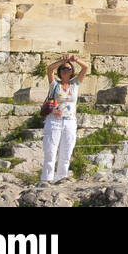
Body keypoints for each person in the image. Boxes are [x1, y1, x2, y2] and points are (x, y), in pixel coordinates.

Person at [41, 54, 88, 184]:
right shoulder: (54, 84)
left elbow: (86, 68)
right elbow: (49, 69)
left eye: (68, 69)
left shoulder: (75, 84)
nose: (65, 71)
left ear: (72, 71)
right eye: (63, 69)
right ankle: (47, 178)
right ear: (60, 71)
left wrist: (76, 60)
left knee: (66, 151)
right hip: (54, 121)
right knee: (50, 150)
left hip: (70, 121)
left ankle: (61, 177)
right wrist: (63, 61)